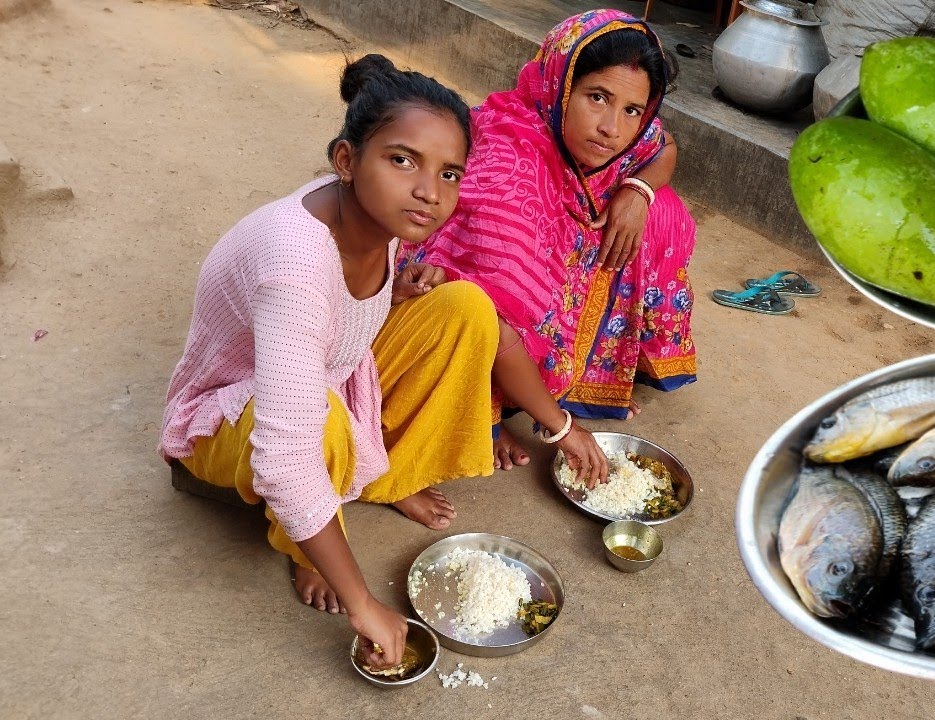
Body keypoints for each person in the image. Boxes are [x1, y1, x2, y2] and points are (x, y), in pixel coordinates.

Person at [159, 54, 564, 670]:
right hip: (226, 424)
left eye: (450, 173)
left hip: (327, 373)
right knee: (311, 424)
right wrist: (362, 602)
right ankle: (307, 544)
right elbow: (285, 450)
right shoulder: (293, 264)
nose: (430, 192)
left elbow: (344, 305)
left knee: (464, 309)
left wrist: (390, 294)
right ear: (345, 161)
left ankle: (382, 474)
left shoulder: (385, 217)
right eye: (403, 160)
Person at [398, 9, 698, 473]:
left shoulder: (620, 134)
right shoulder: (511, 170)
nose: (612, 129)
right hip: (463, 312)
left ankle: (580, 375)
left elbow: (663, 146)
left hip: (521, 297)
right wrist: (560, 426)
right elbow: (491, 322)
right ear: (560, 84)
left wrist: (638, 192)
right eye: (597, 97)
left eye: (632, 109)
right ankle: (485, 412)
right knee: (496, 296)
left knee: (661, 214)